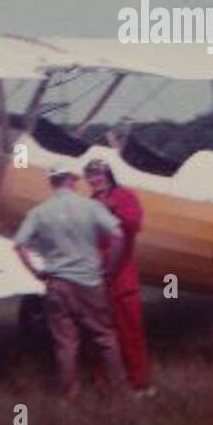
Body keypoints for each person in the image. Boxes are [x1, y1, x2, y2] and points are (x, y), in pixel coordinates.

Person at [13, 166, 125, 398]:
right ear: (73, 181)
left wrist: (36, 272)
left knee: (66, 344)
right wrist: (110, 269)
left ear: (51, 183)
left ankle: (68, 397)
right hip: (89, 281)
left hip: (57, 283)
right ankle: (117, 391)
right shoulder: (91, 206)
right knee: (105, 337)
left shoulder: (39, 212)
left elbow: (19, 245)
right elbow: (118, 235)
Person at [84, 158, 154, 396]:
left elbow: (135, 223)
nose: (95, 179)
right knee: (98, 336)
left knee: (131, 333)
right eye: (90, 176)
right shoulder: (89, 203)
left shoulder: (125, 195)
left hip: (123, 277)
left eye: (99, 174)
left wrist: (112, 208)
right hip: (97, 279)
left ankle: (140, 383)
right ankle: (104, 383)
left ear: (109, 175)